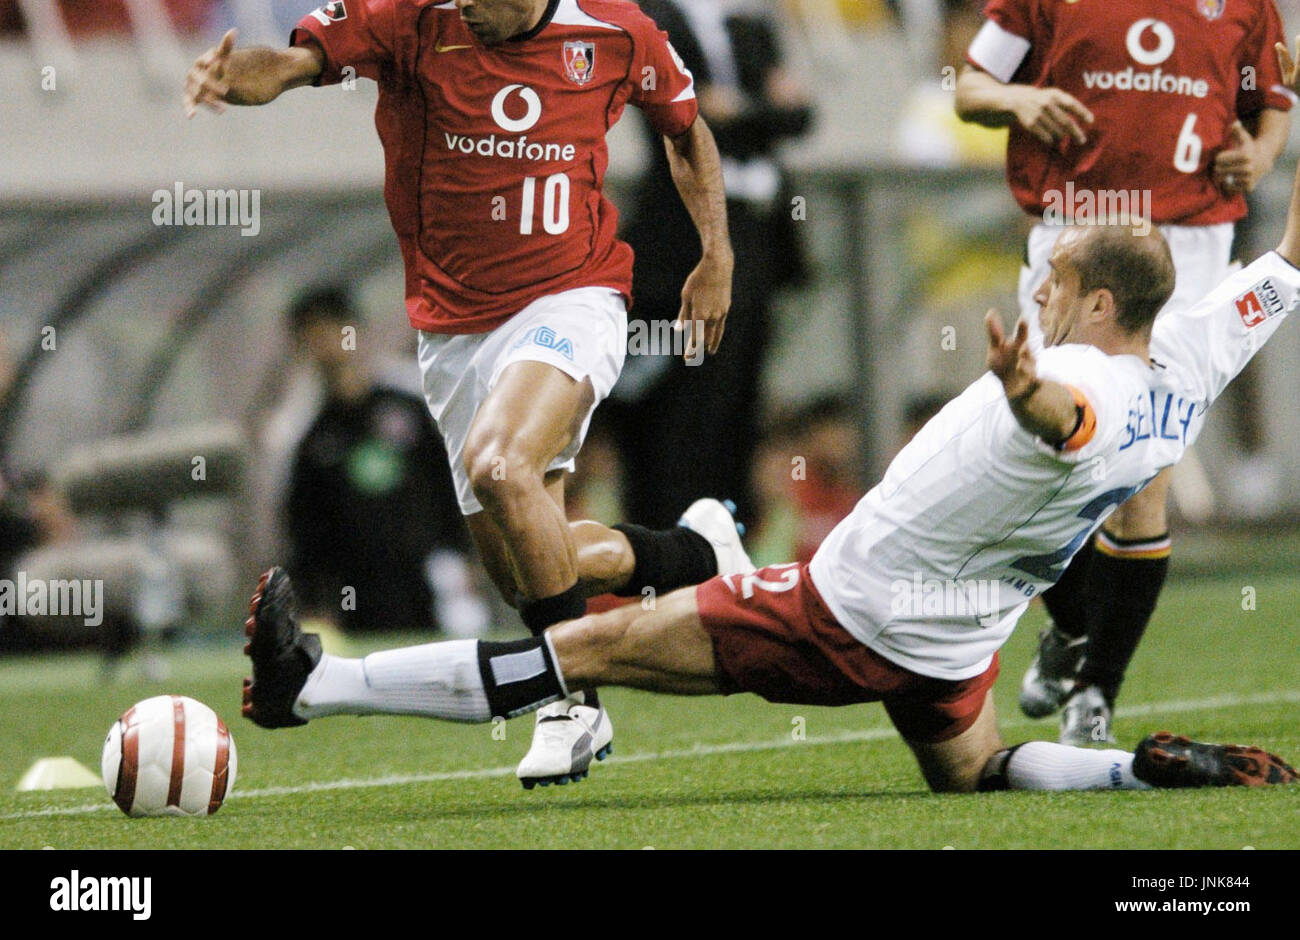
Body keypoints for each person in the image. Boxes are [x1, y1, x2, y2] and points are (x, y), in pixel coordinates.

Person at [237, 40, 1300, 794]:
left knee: (587, 645)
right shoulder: (1193, 352)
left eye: (1059, 272)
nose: (1043, 280)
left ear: (1098, 303)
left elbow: (1069, 420)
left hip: (856, 607)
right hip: (961, 634)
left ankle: (315, 687)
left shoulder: (1089, 383)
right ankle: (1130, 767)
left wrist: (1026, 391)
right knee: (972, 769)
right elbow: (1287, 266)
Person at [186, 0, 741, 788]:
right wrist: (239, 77)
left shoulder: (617, 34)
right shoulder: (412, 16)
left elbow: (687, 133)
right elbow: (291, 64)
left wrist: (714, 254)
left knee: (500, 466)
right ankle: (694, 554)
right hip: (451, 330)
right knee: (529, 563)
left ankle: (575, 704)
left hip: (574, 298)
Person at [954, 0, 1296, 744]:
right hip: (1075, 242)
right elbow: (970, 84)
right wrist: (1020, 100)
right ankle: (1068, 626)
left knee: (1147, 470)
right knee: (1050, 466)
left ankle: (1094, 692)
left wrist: (1256, 154)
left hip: (1191, 254)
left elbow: (1271, 103)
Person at [608, 0, 812, 527]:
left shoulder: (749, 21)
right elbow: (686, 124)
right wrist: (756, 112)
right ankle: (671, 538)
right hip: (683, 235)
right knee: (681, 395)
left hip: (754, 231)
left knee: (739, 394)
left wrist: (741, 112)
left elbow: (798, 115)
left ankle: (726, 536)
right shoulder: (653, 19)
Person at [282, 285, 487, 637]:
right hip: (356, 590)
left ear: (354, 331)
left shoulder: (409, 402)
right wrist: (314, 600)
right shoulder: (306, 432)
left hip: (429, 576)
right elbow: (305, 527)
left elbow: (453, 481)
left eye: (331, 329)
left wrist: (466, 554)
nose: (324, 343)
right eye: (311, 335)